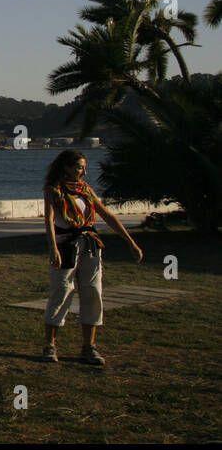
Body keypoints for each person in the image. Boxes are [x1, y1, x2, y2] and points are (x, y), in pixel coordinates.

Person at [42, 150, 142, 366]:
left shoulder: (86, 190)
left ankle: (89, 347)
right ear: (66, 167)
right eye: (79, 167)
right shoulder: (54, 190)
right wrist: (53, 248)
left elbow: (107, 215)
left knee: (92, 292)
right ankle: (50, 345)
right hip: (66, 245)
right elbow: (49, 220)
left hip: (90, 245)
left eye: (84, 167)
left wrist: (130, 242)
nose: (83, 171)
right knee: (62, 291)